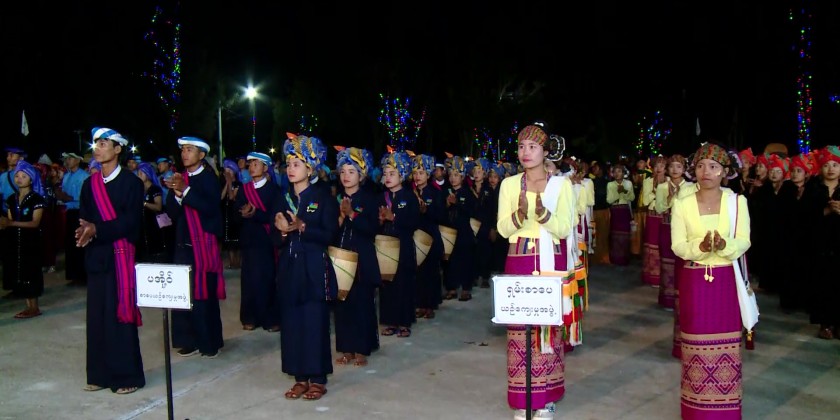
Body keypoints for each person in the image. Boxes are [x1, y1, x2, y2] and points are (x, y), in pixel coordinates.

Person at [497, 121, 575, 420]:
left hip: (549, 260)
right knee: (519, 332)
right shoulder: (509, 185)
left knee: (546, 330)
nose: (525, 152)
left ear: (545, 151)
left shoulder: (561, 186)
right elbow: (504, 230)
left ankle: (546, 399)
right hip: (518, 258)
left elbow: (564, 227)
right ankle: (522, 400)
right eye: (521, 146)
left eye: (533, 147)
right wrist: (518, 216)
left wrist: (543, 215)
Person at [670, 142, 750, 419]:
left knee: (726, 343)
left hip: (726, 280)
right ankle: (695, 410)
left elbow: (744, 241)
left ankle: (725, 412)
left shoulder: (737, 202)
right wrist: (700, 248)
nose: (707, 171)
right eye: (701, 166)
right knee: (695, 344)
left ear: (724, 172)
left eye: (714, 166)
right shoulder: (682, 204)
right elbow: (678, 245)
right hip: (694, 280)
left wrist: (723, 245)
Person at [78, 127, 145, 395]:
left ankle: (126, 375)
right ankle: (99, 374)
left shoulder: (132, 183)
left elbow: (131, 223)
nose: (98, 148)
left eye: (104, 143)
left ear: (118, 149)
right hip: (97, 257)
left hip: (120, 257)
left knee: (119, 316)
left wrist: (98, 229)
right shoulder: (88, 184)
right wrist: (84, 231)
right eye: (96, 143)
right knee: (96, 317)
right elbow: (85, 216)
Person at [275, 133, 337, 401]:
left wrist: (303, 226)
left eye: (297, 164)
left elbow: (330, 234)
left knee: (314, 322)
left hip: (314, 267)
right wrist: (280, 232)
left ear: (310, 169)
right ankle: (299, 376)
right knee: (291, 322)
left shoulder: (323, 198)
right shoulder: (283, 198)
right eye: (289, 164)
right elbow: (274, 234)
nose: (291, 169)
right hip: (290, 266)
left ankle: (318, 378)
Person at [165, 137, 225, 358]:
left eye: (190, 150)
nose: (184, 154)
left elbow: (210, 207)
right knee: (181, 294)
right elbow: (171, 211)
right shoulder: (180, 178)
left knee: (203, 295)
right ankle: (187, 339)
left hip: (203, 247)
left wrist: (186, 191)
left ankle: (209, 341)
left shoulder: (209, 178)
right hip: (183, 243)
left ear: (201, 155)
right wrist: (178, 194)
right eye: (182, 150)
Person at [333, 147, 380, 367]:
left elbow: (371, 229)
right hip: (341, 258)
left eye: (351, 171)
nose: (346, 176)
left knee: (362, 304)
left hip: (362, 259)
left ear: (361, 175)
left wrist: (352, 214)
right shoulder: (336, 199)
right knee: (343, 305)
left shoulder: (369, 198)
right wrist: (340, 219)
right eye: (343, 171)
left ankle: (362, 348)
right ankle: (346, 348)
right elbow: (330, 232)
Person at [235, 152, 281, 332]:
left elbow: (275, 216)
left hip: (265, 241)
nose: (252, 166)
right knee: (248, 281)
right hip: (248, 240)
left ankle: (270, 319)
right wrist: (242, 213)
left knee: (267, 279)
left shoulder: (273, 190)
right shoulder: (244, 189)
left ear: (265, 167)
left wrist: (256, 214)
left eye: (256, 163)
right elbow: (235, 214)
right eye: (250, 163)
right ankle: (249, 317)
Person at [377, 151, 419, 336]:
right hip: (386, 246)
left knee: (404, 283)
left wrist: (393, 217)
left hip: (403, 246)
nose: (387, 177)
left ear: (402, 175)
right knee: (388, 284)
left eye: (392, 173)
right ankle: (390, 321)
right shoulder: (381, 197)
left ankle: (404, 322)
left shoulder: (409, 196)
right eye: (385, 174)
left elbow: (413, 222)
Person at [1, 161, 45, 318]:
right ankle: (29, 306)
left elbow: (35, 223)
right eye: (17, 176)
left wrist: (10, 223)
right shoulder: (12, 199)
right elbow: (9, 220)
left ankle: (34, 307)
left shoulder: (36, 199)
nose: (19, 179)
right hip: (16, 239)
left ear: (31, 179)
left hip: (31, 240)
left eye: (24, 176)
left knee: (31, 270)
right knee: (21, 271)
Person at [810, 146, 840, 339]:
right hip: (819, 245)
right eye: (827, 165)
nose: (830, 169)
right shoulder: (813, 188)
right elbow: (803, 218)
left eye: (835, 165)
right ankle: (825, 324)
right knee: (823, 285)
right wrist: (825, 212)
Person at [412, 153, 445, 318]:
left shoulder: (435, 192)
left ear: (428, 174)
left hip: (431, 236)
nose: (418, 176)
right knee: (418, 272)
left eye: (421, 173)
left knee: (431, 272)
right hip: (416, 236)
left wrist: (427, 211)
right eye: (415, 173)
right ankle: (419, 303)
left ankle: (430, 304)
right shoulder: (410, 192)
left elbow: (441, 215)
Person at [442, 156, 476, 301]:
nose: (453, 178)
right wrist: (447, 205)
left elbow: (472, 211)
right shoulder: (445, 191)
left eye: (456, 175)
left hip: (464, 233)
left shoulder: (467, 192)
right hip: (449, 232)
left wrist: (458, 204)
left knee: (465, 261)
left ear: (462, 177)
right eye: (451, 175)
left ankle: (466, 288)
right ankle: (451, 288)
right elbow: (440, 212)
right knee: (450, 261)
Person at [57, 151, 90, 285]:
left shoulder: (84, 176)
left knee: (81, 242)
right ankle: (74, 274)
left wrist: (67, 197)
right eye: (66, 159)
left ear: (77, 160)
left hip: (80, 212)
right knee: (71, 244)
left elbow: (83, 197)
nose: (67, 161)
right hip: (70, 212)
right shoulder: (66, 176)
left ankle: (83, 275)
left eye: (70, 158)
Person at [136, 162, 172, 263]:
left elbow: (158, 206)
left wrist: (143, 203)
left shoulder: (155, 189)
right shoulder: (139, 189)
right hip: (143, 227)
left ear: (147, 174)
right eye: (138, 173)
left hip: (154, 225)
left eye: (141, 173)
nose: (139, 176)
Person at [606, 163, 634, 265]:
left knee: (625, 235)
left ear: (623, 173)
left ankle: (625, 258)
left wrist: (624, 192)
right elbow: (609, 200)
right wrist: (618, 194)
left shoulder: (629, 183)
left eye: (619, 171)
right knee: (615, 235)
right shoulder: (610, 185)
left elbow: (632, 198)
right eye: (615, 172)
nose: (617, 174)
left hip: (625, 210)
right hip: (615, 210)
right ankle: (615, 258)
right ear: (612, 174)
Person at [221, 158, 242, 269]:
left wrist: (229, 183)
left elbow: (232, 196)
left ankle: (237, 262)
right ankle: (231, 261)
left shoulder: (238, 184)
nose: (227, 173)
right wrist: (226, 184)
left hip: (236, 213)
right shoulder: (223, 183)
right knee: (228, 238)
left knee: (236, 238)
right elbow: (222, 197)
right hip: (227, 213)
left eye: (229, 171)